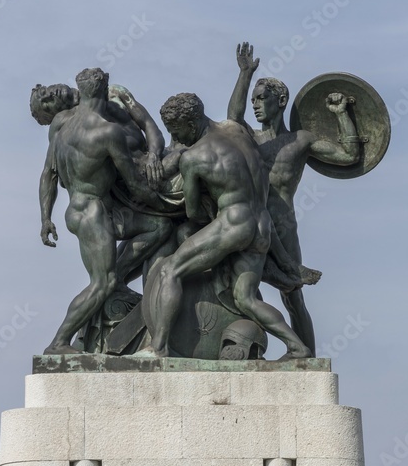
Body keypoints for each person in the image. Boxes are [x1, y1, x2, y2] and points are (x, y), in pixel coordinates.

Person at [142, 92, 315, 359]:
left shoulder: (193, 157)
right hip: (262, 226)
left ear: (190, 124)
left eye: (176, 132)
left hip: (232, 223)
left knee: (170, 270)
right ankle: (297, 347)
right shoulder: (237, 131)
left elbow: (192, 211)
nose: (178, 140)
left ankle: (159, 348)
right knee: (246, 299)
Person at [227, 42, 361, 354]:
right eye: (254, 100)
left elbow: (349, 154)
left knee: (293, 294)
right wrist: (245, 74)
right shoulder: (249, 138)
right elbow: (234, 118)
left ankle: (306, 358)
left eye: (262, 99)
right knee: (242, 288)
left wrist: (342, 114)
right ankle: (247, 346)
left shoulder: (300, 140)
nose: (256, 105)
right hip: (250, 224)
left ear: (281, 100)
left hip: (282, 223)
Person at [35, 67, 163, 353]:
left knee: (158, 227)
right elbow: (135, 183)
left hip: (83, 209)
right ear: (105, 93)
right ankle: (58, 343)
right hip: (92, 212)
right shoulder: (108, 132)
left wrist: (45, 218)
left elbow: (48, 173)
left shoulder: (60, 123)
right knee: (102, 284)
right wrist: (168, 202)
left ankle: (116, 278)